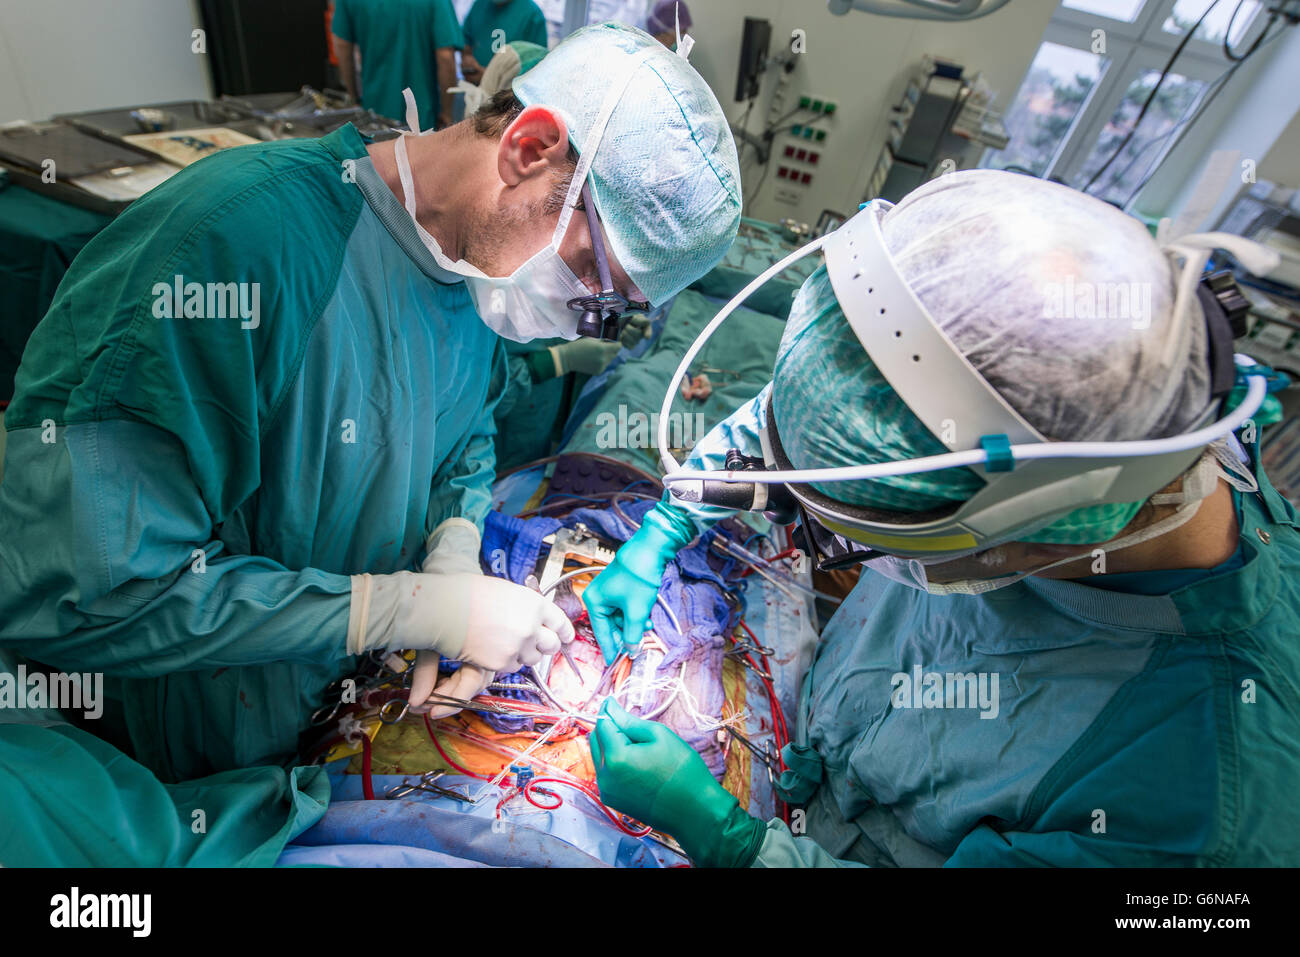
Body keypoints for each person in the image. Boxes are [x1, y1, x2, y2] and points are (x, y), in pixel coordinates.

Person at [0, 22, 740, 865]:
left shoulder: (473, 268)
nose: (583, 317)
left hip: (314, 724)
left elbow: (462, 429)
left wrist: (451, 552)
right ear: (530, 146)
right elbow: (84, 593)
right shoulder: (231, 247)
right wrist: (395, 607)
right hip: (157, 759)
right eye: (595, 279)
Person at [583, 169, 1300, 867]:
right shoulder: (1072, 384)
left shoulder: (1198, 812)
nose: (852, 546)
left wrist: (732, 840)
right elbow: (839, 414)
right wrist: (671, 525)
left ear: (1023, 535)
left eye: (869, 537)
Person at [332, 0, 464, 128]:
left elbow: (342, 46)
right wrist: (446, 112)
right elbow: (446, 57)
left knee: (375, 149)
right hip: (421, 117)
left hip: (372, 114)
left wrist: (353, 97)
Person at [460, 0, 549, 85]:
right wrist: (467, 58)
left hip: (507, 95)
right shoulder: (480, 4)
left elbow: (536, 67)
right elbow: (466, 39)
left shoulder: (533, 15)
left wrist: (488, 78)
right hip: (472, 87)